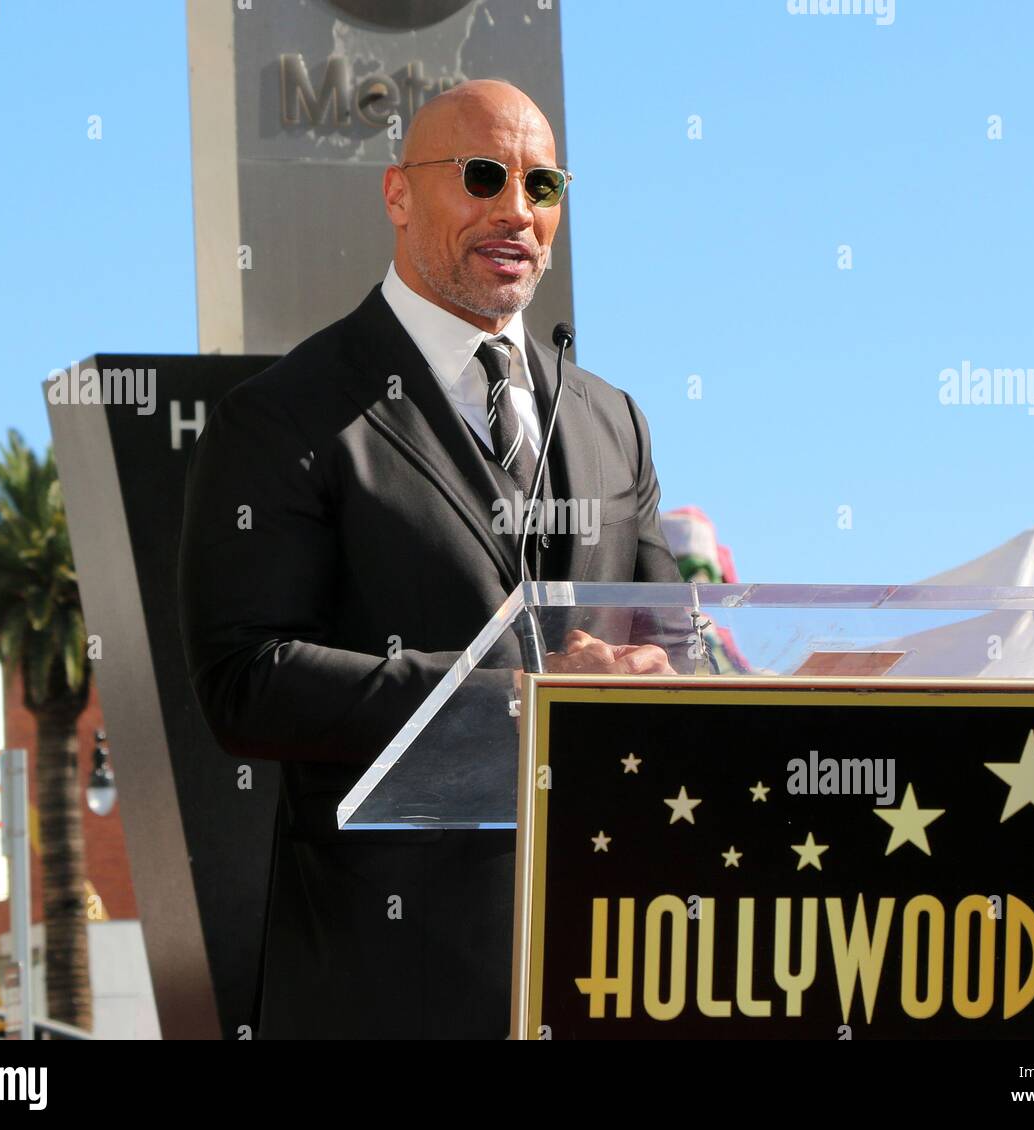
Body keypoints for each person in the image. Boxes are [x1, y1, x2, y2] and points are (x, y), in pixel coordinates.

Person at [178, 78, 681, 1038]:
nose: (516, 212)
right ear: (397, 194)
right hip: (388, 987)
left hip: (605, 970)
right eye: (483, 176)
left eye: (543, 185)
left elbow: (663, 644)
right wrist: (516, 695)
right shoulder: (282, 417)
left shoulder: (613, 419)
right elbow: (246, 680)